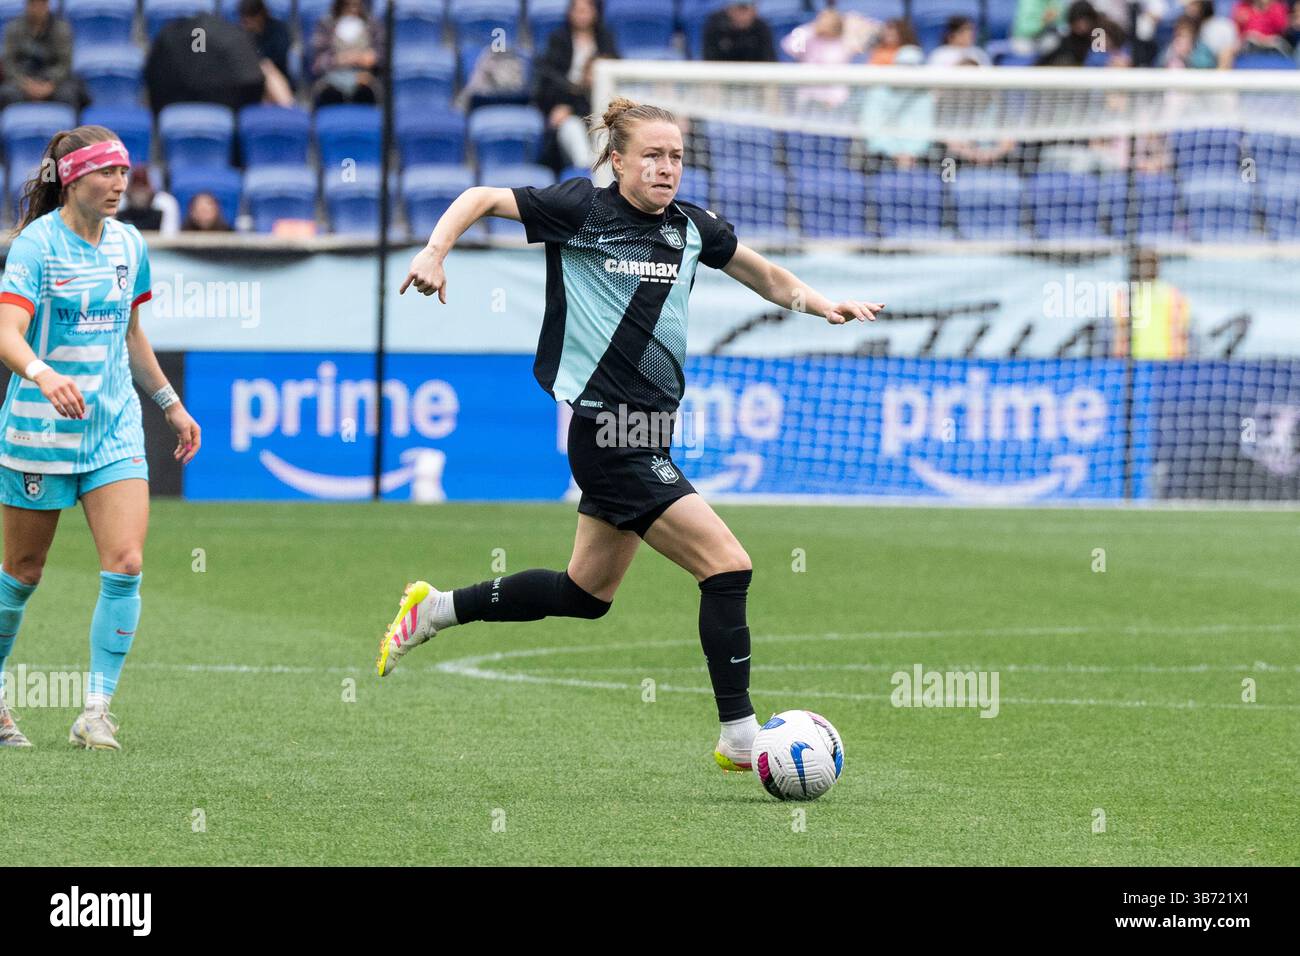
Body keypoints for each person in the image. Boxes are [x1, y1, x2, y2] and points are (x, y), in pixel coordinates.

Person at [383, 98, 885, 773]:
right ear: (617, 160)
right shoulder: (580, 210)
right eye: (653, 154)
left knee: (585, 595)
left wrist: (819, 302)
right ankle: (740, 737)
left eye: (676, 156)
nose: (667, 167)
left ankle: (436, 609)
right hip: (609, 432)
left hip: (651, 431)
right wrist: (435, 251)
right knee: (728, 566)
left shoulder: (690, 227)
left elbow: (763, 274)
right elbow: (478, 195)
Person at [0, 126, 201, 750]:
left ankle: (94, 712)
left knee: (126, 563)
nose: (119, 184)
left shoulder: (129, 243)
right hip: (40, 435)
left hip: (113, 431)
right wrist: (42, 372)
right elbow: (7, 334)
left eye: (124, 172)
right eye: (105, 173)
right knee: (22, 572)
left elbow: (131, 335)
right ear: (71, 178)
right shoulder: (35, 246)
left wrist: (169, 403)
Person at [533, 0, 619, 174]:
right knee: (570, 127)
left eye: (586, 10)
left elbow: (616, 71)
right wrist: (567, 104)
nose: (582, 15)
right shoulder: (558, 39)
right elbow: (548, 79)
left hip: (601, 106)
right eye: (577, 10)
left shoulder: (605, 38)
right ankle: (587, 174)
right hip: (567, 104)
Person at [0, 0, 86, 110]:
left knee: (69, 94)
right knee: (6, 94)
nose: (37, 8)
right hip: (23, 80)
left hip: (53, 81)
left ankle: (73, 125)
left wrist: (49, 84)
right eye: (33, 4)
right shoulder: (13, 28)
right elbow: (9, 62)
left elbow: (65, 63)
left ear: (47, 5)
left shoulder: (62, 28)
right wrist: (24, 84)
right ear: (27, 5)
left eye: (41, 4)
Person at [310, 0, 383, 107]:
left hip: (364, 77)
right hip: (331, 78)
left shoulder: (372, 24)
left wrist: (371, 59)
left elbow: (381, 56)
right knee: (330, 94)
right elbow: (317, 63)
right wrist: (340, 59)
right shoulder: (326, 25)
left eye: (357, 5)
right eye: (347, 5)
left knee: (365, 92)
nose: (352, 9)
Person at [238, 0, 295, 106]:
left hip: (278, 75)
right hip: (251, 80)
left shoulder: (279, 29)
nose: (245, 24)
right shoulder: (240, 33)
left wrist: (261, 61)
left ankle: (287, 108)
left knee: (266, 66)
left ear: (259, 16)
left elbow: (280, 56)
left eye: (248, 20)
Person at [114, 165, 181, 235]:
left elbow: (169, 238)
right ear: (128, 190)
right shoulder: (118, 202)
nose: (139, 194)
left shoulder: (166, 203)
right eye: (136, 188)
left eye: (143, 188)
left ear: (152, 190)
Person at [703, 1, 777, 62]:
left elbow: (769, 60)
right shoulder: (715, 26)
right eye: (739, 9)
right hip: (721, 75)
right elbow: (709, 61)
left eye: (745, 9)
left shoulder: (762, 28)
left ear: (754, 11)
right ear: (729, 10)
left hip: (754, 76)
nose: (742, 15)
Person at [927, 16, 992, 66]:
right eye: (964, 31)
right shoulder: (939, 54)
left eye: (971, 30)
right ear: (952, 35)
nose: (969, 34)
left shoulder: (979, 53)